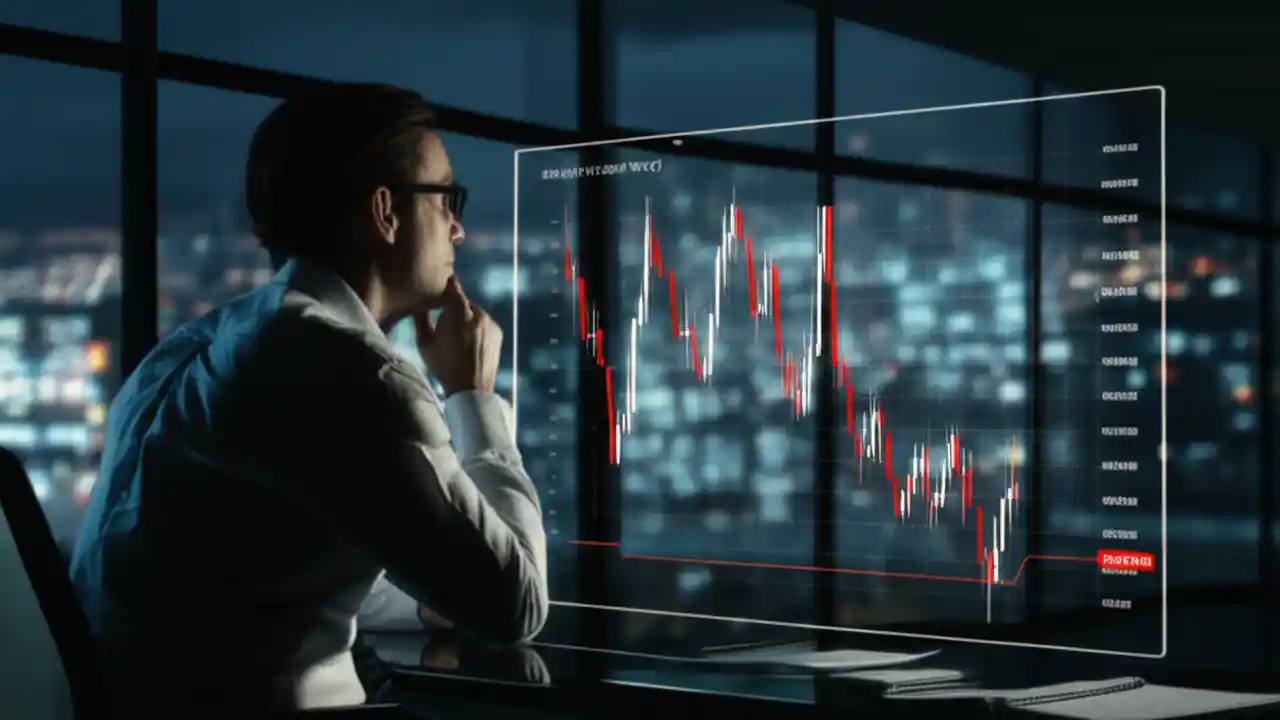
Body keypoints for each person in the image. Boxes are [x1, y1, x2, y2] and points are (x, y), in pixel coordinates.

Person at [68, 82, 548, 714]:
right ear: (386, 212)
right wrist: (472, 394)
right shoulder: (352, 374)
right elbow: (517, 606)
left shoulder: (200, 344)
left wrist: (434, 589)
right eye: (445, 198)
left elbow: (269, 565)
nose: (457, 229)